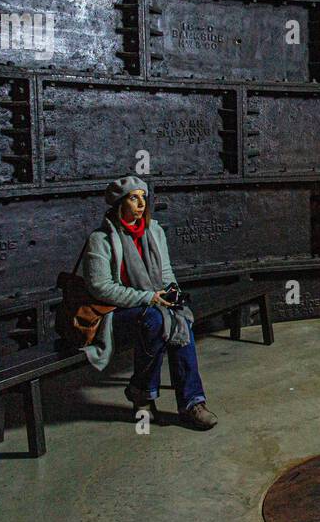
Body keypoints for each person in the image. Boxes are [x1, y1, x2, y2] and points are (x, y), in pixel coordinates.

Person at [79, 175, 217, 430]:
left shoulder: (154, 231)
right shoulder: (101, 239)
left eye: (144, 197)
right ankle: (143, 395)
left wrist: (172, 294)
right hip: (115, 315)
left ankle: (191, 403)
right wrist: (148, 297)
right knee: (153, 319)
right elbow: (100, 287)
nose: (141, 204)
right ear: (120, 203)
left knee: (179, 319)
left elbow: (166, 274)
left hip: (151, 306)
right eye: (134, 198)